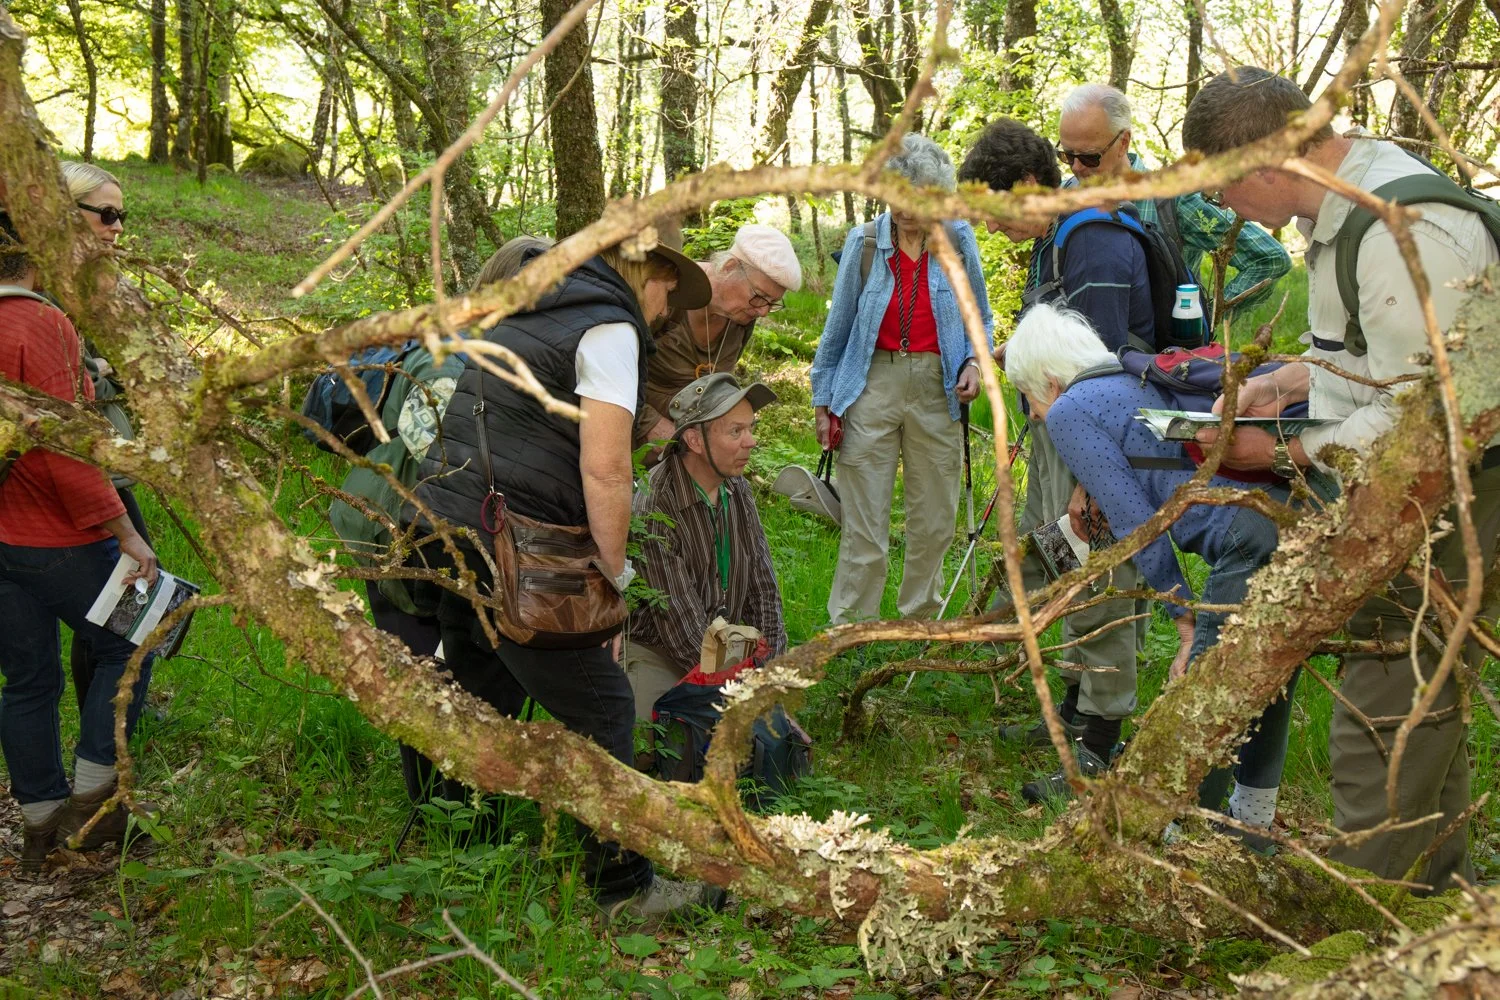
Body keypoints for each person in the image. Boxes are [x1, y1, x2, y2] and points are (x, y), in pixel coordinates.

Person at [1183, 66, 1500, 890]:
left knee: (1389, 692)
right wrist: (1287, 383)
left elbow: (1428, 414)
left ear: (1264, 164)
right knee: (1423, 695)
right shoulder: (1340, 209)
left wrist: (1281, 454)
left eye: (1221, 186)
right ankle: (1436, 899)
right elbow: (1376, 361)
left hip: (1454, 488)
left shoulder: (1399, 226)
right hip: (1418, 478)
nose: (1222, 206)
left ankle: (1365, 914)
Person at [409, 235, 728, 923]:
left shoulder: (530, 302)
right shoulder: (609, 327)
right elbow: (607, 469)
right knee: (604, 708)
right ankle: (623, 889)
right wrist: (610, 579)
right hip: (517, 547)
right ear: (648, 272)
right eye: (669, 291)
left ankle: (462, 846)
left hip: (448, 523)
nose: (668, 310)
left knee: (479, 688)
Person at [1003, 303, 1298, 834]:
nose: (1036, 415)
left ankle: (1179, 830)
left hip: (1242, 537)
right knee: (1269, 676)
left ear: (1048, 380)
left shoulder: (1070, 410)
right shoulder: (1126, 377)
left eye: (1029, 399)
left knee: (1207, 696)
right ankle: (1252, 826)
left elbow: (1138, 525)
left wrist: (1182, 617)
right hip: (1287, 518)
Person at [958, 118, 1153, 798]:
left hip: (1091, 438)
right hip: (1058, 430)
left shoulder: (1091, 240)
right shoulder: (1055, 241)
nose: (988, 225)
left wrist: (1092, 482)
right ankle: (1073, 711)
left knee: (1097, 573)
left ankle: (1100, 742)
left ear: (1028, 184)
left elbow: (1102, 371)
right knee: (1065, 564)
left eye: (993, 209)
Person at [329, 234, 553, 809]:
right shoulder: (452, 354)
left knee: (467, 674)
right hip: (403, 533)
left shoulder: (521, 354)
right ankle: (439, 813)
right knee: (424, 676)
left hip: (449, 534)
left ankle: (468, 809)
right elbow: (433, 451)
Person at [0, 212, 159, 872]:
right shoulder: (39, 320)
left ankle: (39, 827)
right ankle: (95, 811)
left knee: (28, 679)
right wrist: (126, 532)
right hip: (53, 534)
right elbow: (66, 447)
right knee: (135, 636)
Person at [812, 133, 993, 624]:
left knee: (934, 518)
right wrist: (824, 401)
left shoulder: (958, 240)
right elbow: (837, 329)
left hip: (938, 387)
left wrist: (974, 364)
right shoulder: (865, 243)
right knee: (864, 521)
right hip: (870, 382)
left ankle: (920, 620)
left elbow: (980, 318)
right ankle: (853, 625)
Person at [624, 373, 787, 720]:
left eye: (751, 428)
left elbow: (764, 591)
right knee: (656, 734)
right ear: (695, 440)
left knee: (771, 736)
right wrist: (739, 690)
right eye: (736, 431)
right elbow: (681, 629)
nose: (751, 442)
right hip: (658, 649)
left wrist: (768, 674)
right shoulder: (656, 507)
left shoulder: (737, 488)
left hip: (726, 642)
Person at [1056, 83, 1290, 312]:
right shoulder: (1064, 198)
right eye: (1067, 155)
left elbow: (1269, 259)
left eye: (1089, 157)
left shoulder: (1174, 201)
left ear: (1123, 142)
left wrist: (1206, 316)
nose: (1076, 167)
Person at [56, 162, 153, 713]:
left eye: (123, 216)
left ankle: (114, 703)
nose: (117, 227)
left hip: (101, 467)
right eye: (107, 214)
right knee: (126, 597)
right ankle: (109, 719)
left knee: (120, 598)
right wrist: (100, 371)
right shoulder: (42, 287)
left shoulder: (87, 283)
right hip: (76, 472)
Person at [634, 225, 802, 449]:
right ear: (729, 267)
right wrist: (649, 423)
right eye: (760, 296)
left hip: (689, 443)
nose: (763, 311)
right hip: (629, 433)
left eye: (772, 304)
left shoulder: (742, 318)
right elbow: (608, 369)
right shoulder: (670, 292)